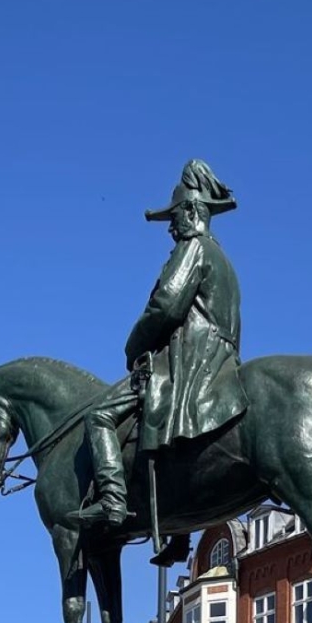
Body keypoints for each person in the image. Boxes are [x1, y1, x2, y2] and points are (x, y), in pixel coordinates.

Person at [80, 159, 244, 541]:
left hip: (191, 354)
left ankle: (112, 500)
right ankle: (179, 530)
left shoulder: (194, 249)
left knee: (99, 415)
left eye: (175, 217)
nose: (171, 227)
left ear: (191, 211)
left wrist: (135, 342)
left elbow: (167, 305)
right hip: (222, 357)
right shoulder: (224, 259)